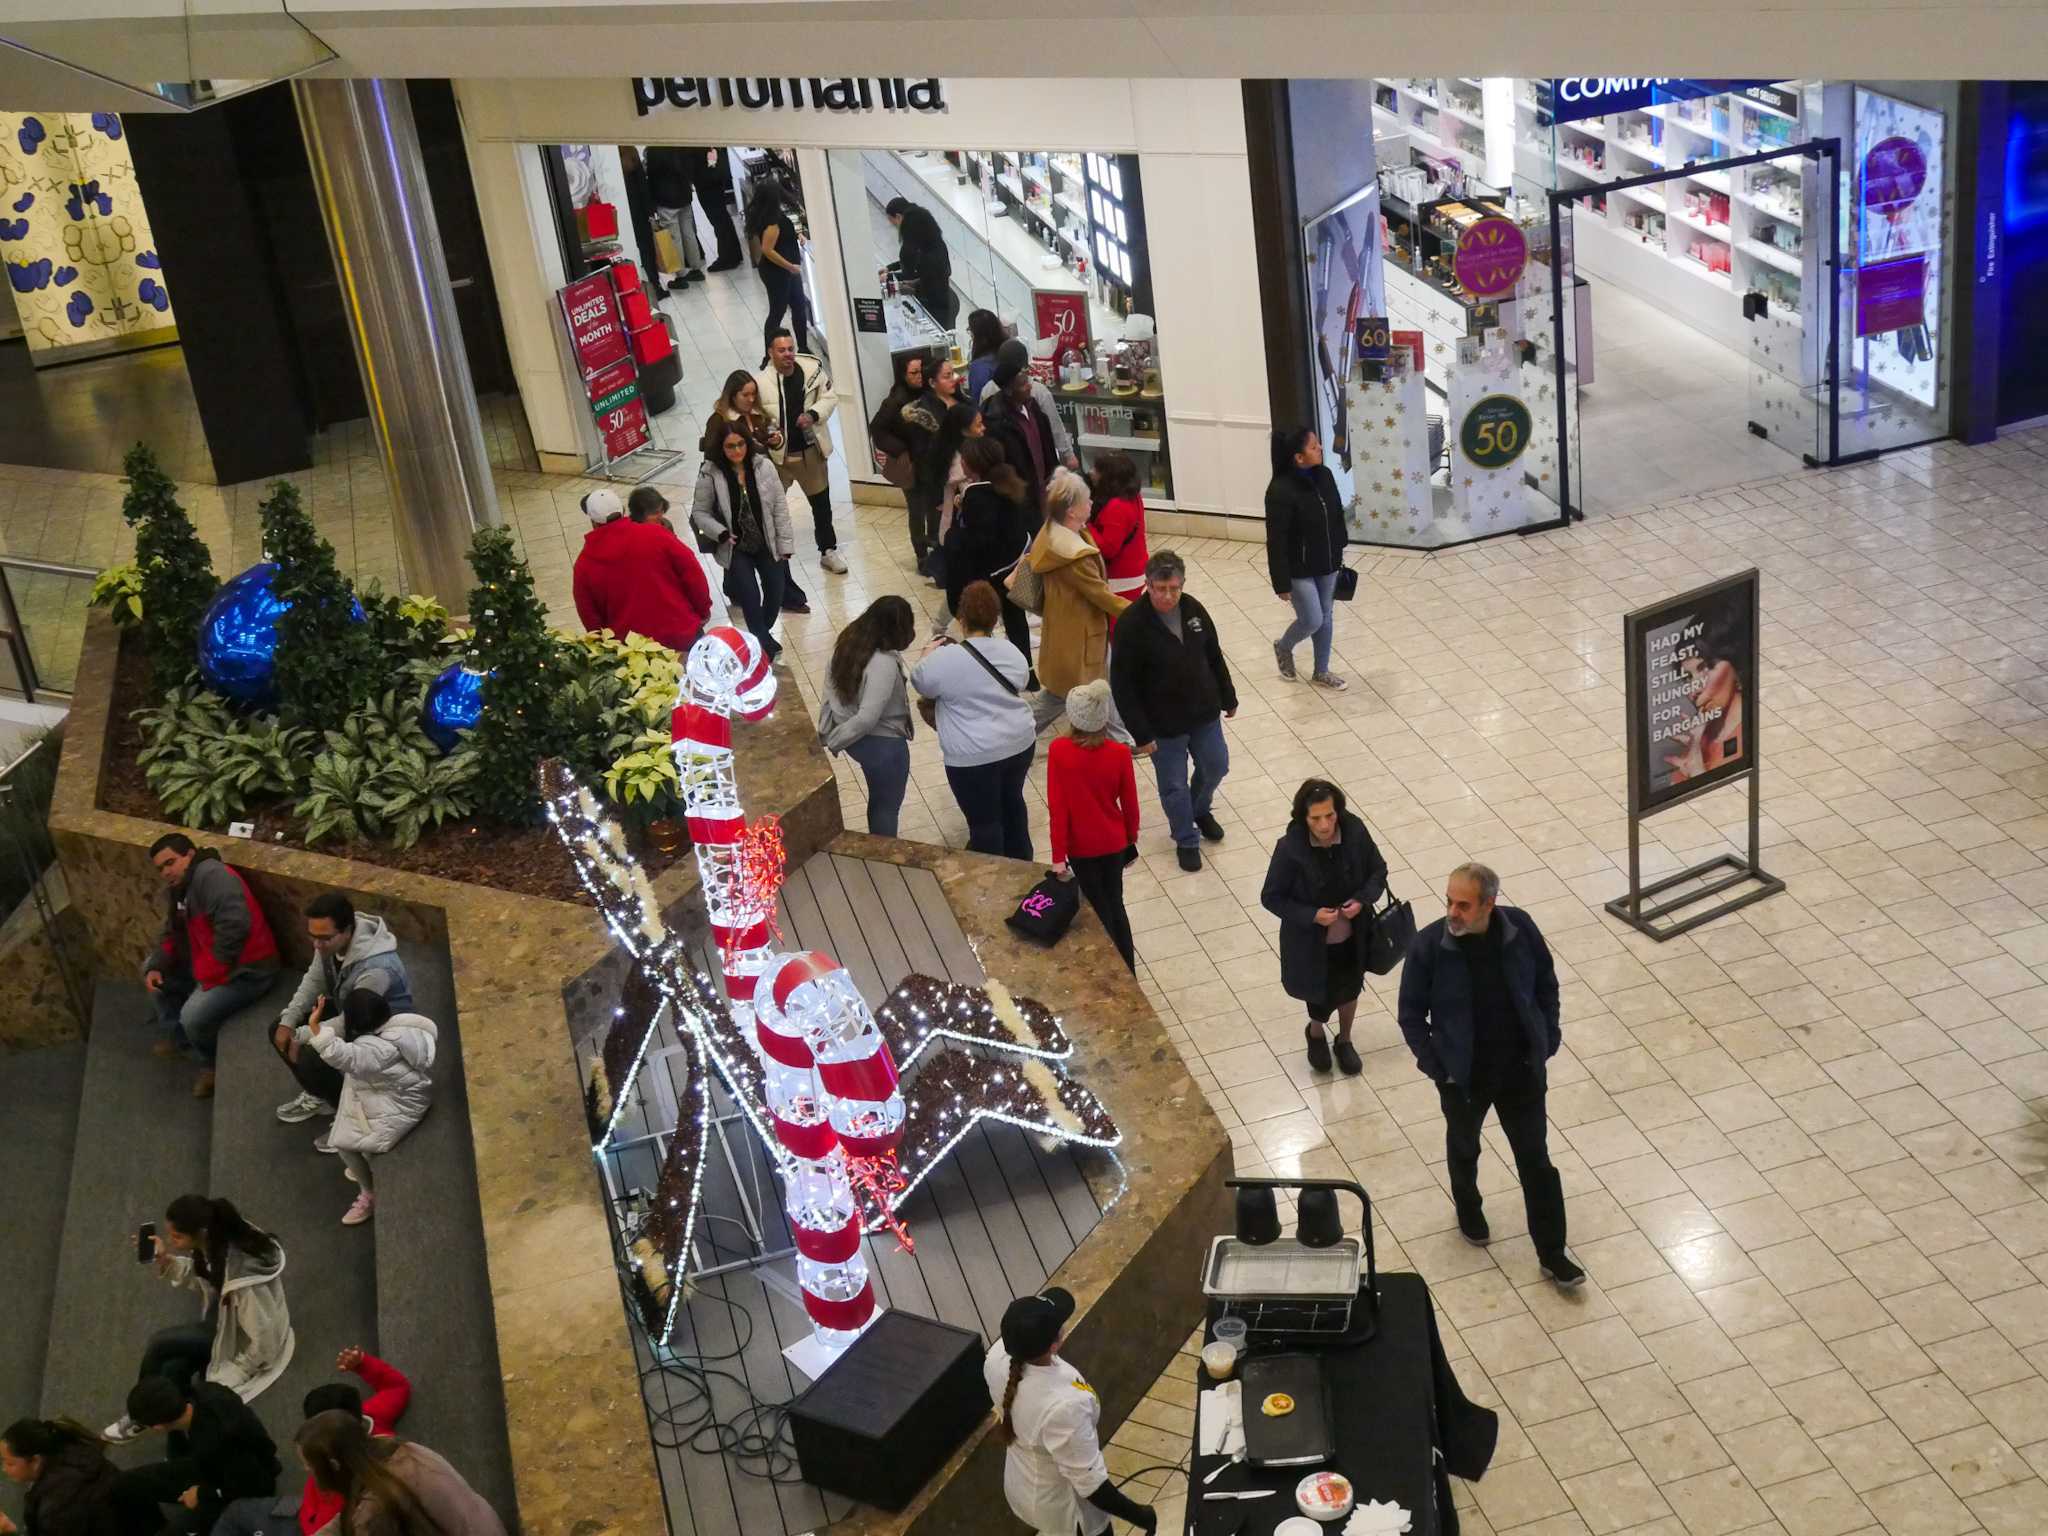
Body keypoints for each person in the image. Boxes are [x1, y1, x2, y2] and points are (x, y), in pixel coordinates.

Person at [1397, 862, 1583, 1288]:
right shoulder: (1429, 947)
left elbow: (1545, 983)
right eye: (1449, 901)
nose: (1453, 912)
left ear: (1489, 904)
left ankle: (1552, 1251)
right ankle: (1467, 1204)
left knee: (1536, 1161)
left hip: (1520, 1072)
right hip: (1464, 1078)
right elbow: (1410, 1014)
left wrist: (1547, 1035)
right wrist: (1437, 1066)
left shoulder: (1520, 929)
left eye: (1463, 904)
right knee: (1464, 1146)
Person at [109, 1197, 293, 1441]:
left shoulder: (245, 1281)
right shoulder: (214, 1243)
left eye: (176, 1237)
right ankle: (170, 1423)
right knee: (174, 1370)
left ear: (201, 1232)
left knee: (160, 1344)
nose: (171, 1242)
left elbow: (264, 1339)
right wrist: (166, 1261)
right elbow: (203, 1278)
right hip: (222, 1322)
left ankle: (140, 1416)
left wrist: (240, 1369)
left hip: (234, 1338)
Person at [982, 1288, 1157, 1536]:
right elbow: (1092, 1486)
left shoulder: (997, 1358)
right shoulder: (1064, 1408)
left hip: (1024, 1482)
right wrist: (1141, 1515)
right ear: (1055, 1343)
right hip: (1065, 1506)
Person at [1109, 551, 1236, 874]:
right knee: (1173, 785)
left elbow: (1214, 655)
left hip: (1203, 712)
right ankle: (1186, 838)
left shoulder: (1193, 609)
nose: (1168, 596)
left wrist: (1228, 696)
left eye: (1174, 588)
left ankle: (1199, 808)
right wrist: (1141, 733)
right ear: (1148, 585)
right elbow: (1122, 685)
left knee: (1217, 765)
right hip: (1162, 726)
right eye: (1160, 588)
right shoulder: (1131, 625)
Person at [1262, 779, 1387, 1077]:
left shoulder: (1354, 831)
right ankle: (1316, 1032)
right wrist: (1312, 915)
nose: (1324, 825)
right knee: (1318, 992)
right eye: (1315, 818)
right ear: (1303, 818)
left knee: (1350, 987)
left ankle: (1344, 1039)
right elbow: (1272, 897)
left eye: (1329, 816)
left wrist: (1362, 899)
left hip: (1353, 935)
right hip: (1312, 942)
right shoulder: (1291, 849)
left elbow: (1377, 869)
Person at [142, 834, 280, 1100]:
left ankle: (211, 1064)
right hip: (208, 962)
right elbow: (172, 933)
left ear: (190, 855)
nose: (166, 872)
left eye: (170, 862)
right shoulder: (180, 888)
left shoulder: (213, 877)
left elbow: (235, 929)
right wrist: (158, 964)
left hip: (249, 970)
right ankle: (180, 1039)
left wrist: (204, 977)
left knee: (193, 1015)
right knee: (150, 970)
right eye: (160, 868)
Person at [909, 582, 1035, 860]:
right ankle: (1025, 874)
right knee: (1013, 805)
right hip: (1019, 743)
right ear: (996, 618)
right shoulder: (1012, 652)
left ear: (961, 618)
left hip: (973, 757)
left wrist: (926, 656)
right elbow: (1022, 680)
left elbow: (921, 682)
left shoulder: (944, 660)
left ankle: (992, 884)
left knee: (985, 824)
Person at [271, 892, 413, 1134]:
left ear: (347, 930)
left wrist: (304, 1035)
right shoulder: (328, 942)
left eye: (323, 938)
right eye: (312, 936)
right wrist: (289, 1020)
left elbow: (355, 1017)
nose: (316, 945)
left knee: (312, 1052)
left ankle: (351, 1119)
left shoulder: (377, 968)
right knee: (278, 1029)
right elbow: (314, 979)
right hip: (348, 1009)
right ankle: (322, 1094)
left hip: (380, 1029)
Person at [308, 986, 437, 1227]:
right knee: (351, 1114)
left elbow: (343, 1055)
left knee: (342, 1142)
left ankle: (369, 1193)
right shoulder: (399, 1030)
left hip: (402, 1104)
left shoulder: (375, 1050)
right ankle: (363, 1165)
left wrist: (316, 1027)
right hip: (408, 1092)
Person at [1023, 468, 1127, 733]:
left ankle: (1122, 737)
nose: (1092, 503)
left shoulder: (1053, 532)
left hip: (1067, 630)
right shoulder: (1073, 554)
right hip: (1081, 637)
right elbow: (1100, 594)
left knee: (1101, 684)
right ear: (1071, 510)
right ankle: (1012, 736)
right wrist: (1140, 612)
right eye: (1087, 500)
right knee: (1066, 694)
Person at [294, 1411, 507, 1536]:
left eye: (310, 1466)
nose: (306, 1471)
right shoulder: (392, 1448)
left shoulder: (373, 1513)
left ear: (334, 1465)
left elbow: (365, 1518)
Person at [1047, 680, 1138, 973]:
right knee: (1116, 903)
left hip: (1080, 846)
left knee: (1097, 910)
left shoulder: (1059, 751)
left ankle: (1112, 972)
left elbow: (1058, 808)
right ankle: (1128, 968)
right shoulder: (1119, 753)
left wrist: (1058, 855)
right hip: (1113, 841)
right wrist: (1130, 839)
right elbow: (1131, 803)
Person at [110, 1379, 278, 1536]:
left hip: (244, 1489)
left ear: (158, 1427)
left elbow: (252, 1484)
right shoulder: (206, 1390)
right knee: (127, 1483)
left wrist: (202, 1493)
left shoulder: (214, 1443)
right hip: (214, 1468)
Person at [703, 369, 808, 612]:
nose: (750, 399)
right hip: (733, 492)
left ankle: (785, 594)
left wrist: (774, 441)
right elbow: (712, 454)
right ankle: (740, 590)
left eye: (753, 394)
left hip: (761, 490)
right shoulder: (719, 420)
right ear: (733, 395)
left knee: (770, 544)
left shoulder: (758, 416)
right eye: (745, 395)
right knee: (737, 546)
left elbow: (776, 436)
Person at [691, 418, 795, 661]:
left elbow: (779, 507)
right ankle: (763, 643)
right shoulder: (710, 473)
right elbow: (699, 512)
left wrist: (785, 544)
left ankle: (761, 634)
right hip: (736, 547)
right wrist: (721, 533)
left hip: (766, 541)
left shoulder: (764, 467)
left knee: (775, 593)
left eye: (740, 444)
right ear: (721, 448)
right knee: (749, 596)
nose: (737, 450)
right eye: (730, 446)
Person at [571, 487, 714, 655]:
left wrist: (607, 651)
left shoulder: (584, 565)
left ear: (593, 521)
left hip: (633, 654)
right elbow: (693, 574)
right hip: (681, 635)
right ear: (623, 510)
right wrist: (702, 611)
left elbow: (590, 617)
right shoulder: (657, 535)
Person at [819, 597, 917, 837]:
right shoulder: (882, 663)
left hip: (859, 743)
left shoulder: (847, 646)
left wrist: (826, 731)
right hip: (884, 745)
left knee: (878, 799)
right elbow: (867, 717)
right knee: (886, 807)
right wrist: (834, 740)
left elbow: (829, 693)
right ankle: (884, 854)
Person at [755, 329, 847, 575]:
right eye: (782, 350)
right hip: (778, 458)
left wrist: (813, 414)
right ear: (770, 352)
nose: (788, 354)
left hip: (810, 452)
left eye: (790, 349)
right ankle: (772, 555)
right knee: (771, 506)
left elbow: (830, 396)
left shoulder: (812, 370)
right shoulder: (761, 383)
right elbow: (756, 418)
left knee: (821, 504)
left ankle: (828, 550)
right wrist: (767, 434)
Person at [1264, 426, 1350, 691]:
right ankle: (1284, 646)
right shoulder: (1279, 491)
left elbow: (1335, 514)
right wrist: (1281, 582)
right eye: (1314, 447)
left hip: (1327, 562)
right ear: (1298, 457)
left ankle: (1321, 671)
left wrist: (1340, 547)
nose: (1320, 448)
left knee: (1326, 616)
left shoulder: (1324, 475)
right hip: (1298, 569)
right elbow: (1276, 539)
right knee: (1312, 619)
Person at [943, 437, 1034, 662]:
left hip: (986, 576)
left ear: (972, 465)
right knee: (1016, 621)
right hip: (1012, 567)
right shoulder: (1008, 485)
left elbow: (972, 543)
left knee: (981, 625)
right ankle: (1028, 672)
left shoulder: (976, 497)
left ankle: (987, 669)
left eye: (963, 459)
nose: (960, 462)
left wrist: (954, 530)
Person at [901, 356, 964, 582]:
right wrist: (936, 492)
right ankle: (939, 569)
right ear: (932, 382)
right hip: (941, 485)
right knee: (941, 530)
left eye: (953, 374)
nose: (954, 379)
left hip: (965, 479)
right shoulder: (922, 414)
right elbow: (925, 457)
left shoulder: (961, 402)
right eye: (947, 376)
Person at [0, 1417, 117, 1536]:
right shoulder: (73, 1450)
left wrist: (10, 1533)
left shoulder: (54, 1510)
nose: (4, 1469)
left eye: (10, 1463)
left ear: (35, 1461)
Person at [976, 338, 1078, 475]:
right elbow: (1055, 426)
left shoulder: (987, 390)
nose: (1026, 386)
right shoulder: (1037, 391)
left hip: (1002, 465)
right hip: (1034, 460)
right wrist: (1068, 455)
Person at [982, 346, 1064, 512]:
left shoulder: (1034, 408)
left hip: (1043, 485)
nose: (1029, 386)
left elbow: (1048, 441)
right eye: (1023, 384)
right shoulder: (996, 421)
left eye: (1027, 381)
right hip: (1020, 495)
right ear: (1009, 390)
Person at [748, 175, 812, 353]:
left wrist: (797, 235)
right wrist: (790, 267)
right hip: (778, 272)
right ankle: (770, 352)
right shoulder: (773, 221)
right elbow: (768, 250)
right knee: (778, 310)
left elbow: (780, 240)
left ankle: (803, 347)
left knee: (798, 305)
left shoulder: (768, 216)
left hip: (784, 271)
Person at [882, 197, 956, 328]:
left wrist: (889, 278)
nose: (894, 227)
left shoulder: (916, 245)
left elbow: (910, 273)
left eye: (893, 222)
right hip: (945, 297)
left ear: (898, 217)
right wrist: (890, 269)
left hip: (937, 306)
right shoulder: (933, 243)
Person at [643, 146, 707, 288]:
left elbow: (652, 177)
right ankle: (696, 268)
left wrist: (652, 202)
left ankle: (681, 275)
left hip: (666, 198)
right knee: (688, 233)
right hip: (684, 194)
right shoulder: (679, 143)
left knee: (674, 238)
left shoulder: (654, 150)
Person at [1087, 452, 1149, 600]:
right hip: (1137, 569)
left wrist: (1086, 525)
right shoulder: (1133, 496)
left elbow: (1109, 548)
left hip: (1121, 578)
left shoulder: (1117, 506)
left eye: (1097, 470)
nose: (1091, 472)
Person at [964, 308, 1008, 401]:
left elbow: (978, 402)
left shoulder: (979, 367)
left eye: (970, 330)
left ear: (977, 334)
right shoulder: (1008, 353)